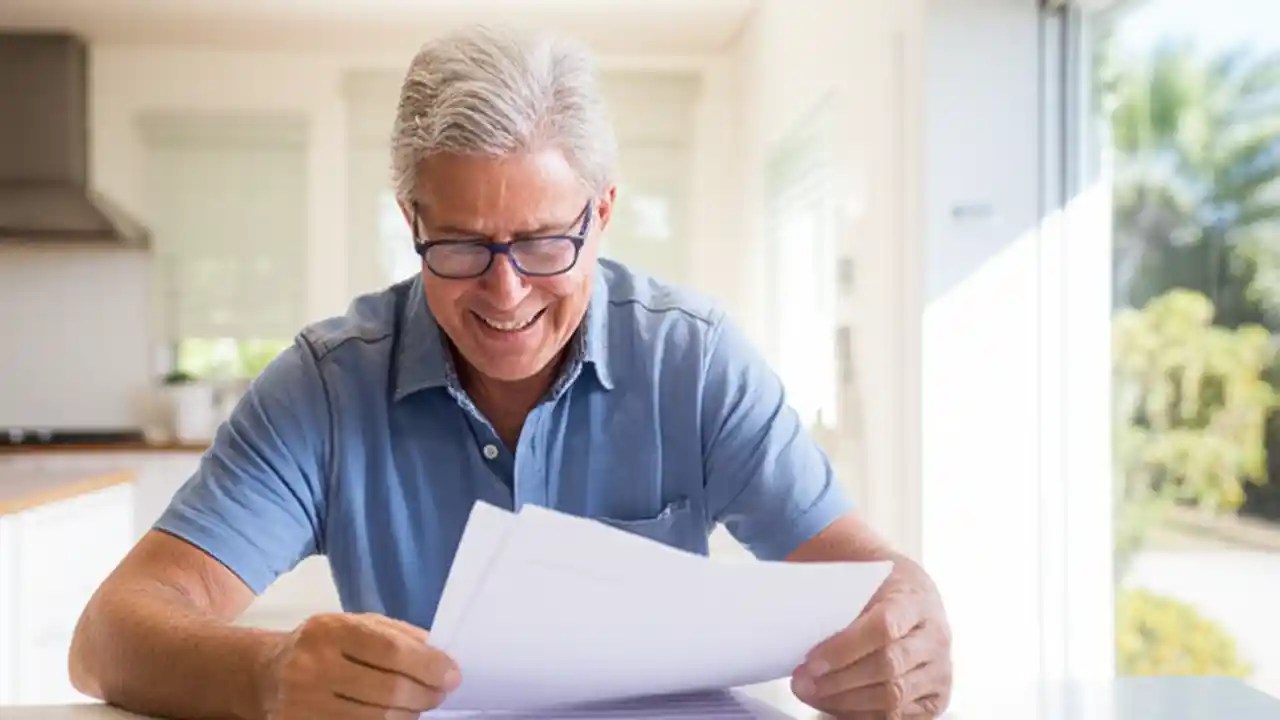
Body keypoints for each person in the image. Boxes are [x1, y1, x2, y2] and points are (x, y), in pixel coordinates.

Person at [69, 25, 952, 720]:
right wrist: (267, 673)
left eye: (542, 242)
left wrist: (911, 622)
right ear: (412, 221)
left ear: (602, 213)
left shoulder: (695, 362)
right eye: (460, 245)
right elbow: (108, 636)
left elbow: (872, 577)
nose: (505, 291)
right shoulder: (326, 389)